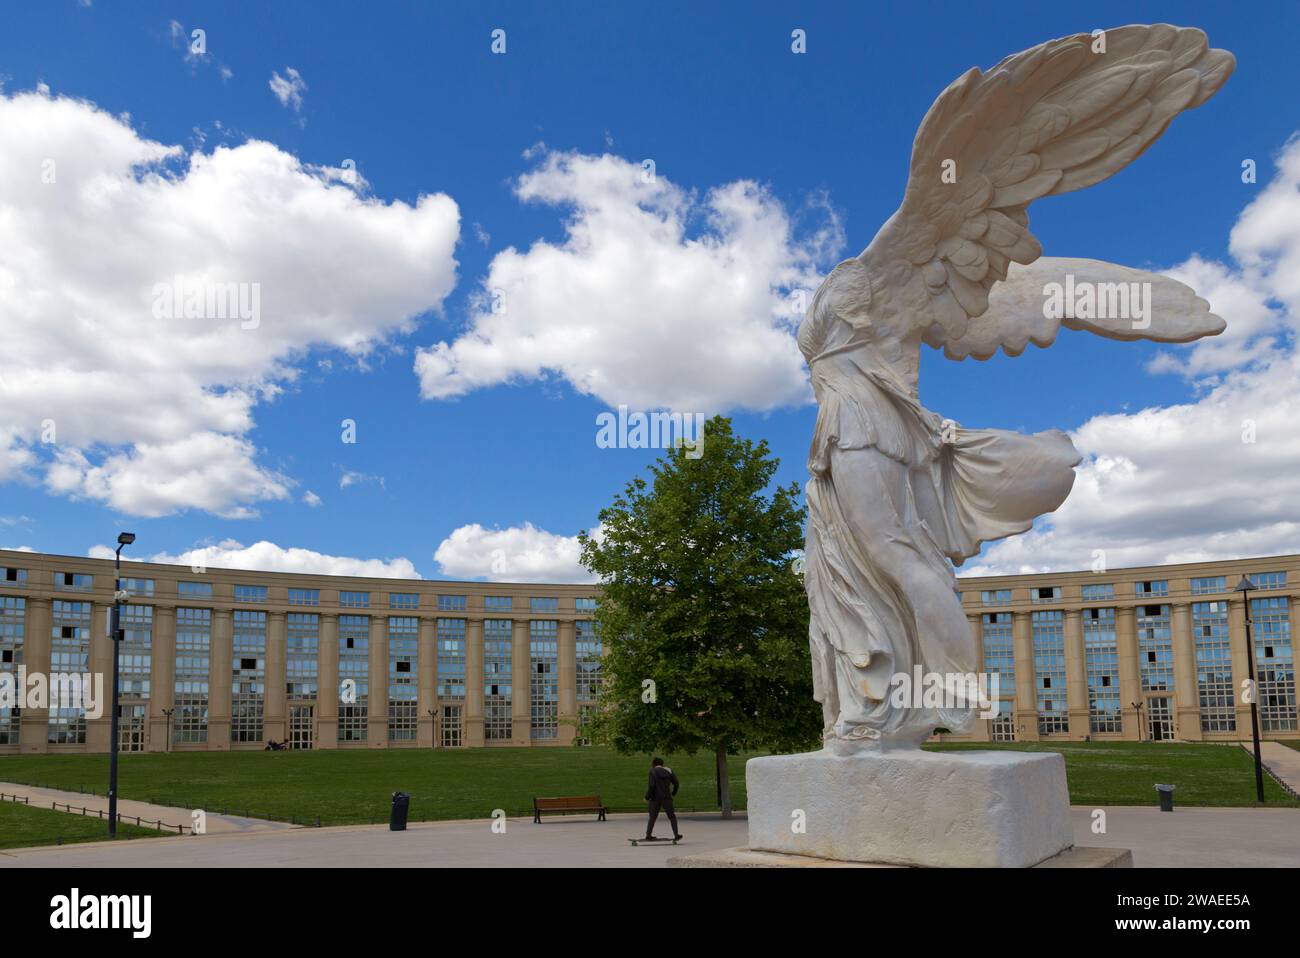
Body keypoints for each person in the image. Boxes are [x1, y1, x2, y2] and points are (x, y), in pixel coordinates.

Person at [644, 757, 681, 841]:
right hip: (667, 797)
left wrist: (647, 796)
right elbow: (676, 783)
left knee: (652, 817)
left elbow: (652, 786)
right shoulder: (668, 770)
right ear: (662, 764)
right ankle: (676, 834)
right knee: (672, 816)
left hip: (655, 798)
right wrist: (674, 792)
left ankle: (648, 835)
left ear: (653, 764)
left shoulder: (652, 771)